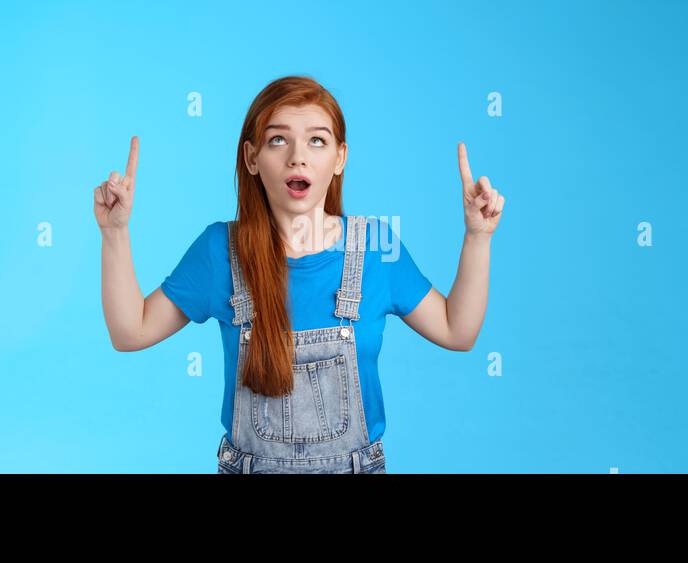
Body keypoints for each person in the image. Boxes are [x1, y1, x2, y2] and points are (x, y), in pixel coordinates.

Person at [93, 76, 505, 474]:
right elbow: (130, 332)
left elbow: (458, 331)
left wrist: (478, 237)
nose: (297, 155)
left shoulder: (376, 248)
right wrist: (114, 232)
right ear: (252, 158)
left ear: (339, 158)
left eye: (317, 140)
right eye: (278, 139)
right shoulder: (221, 251)